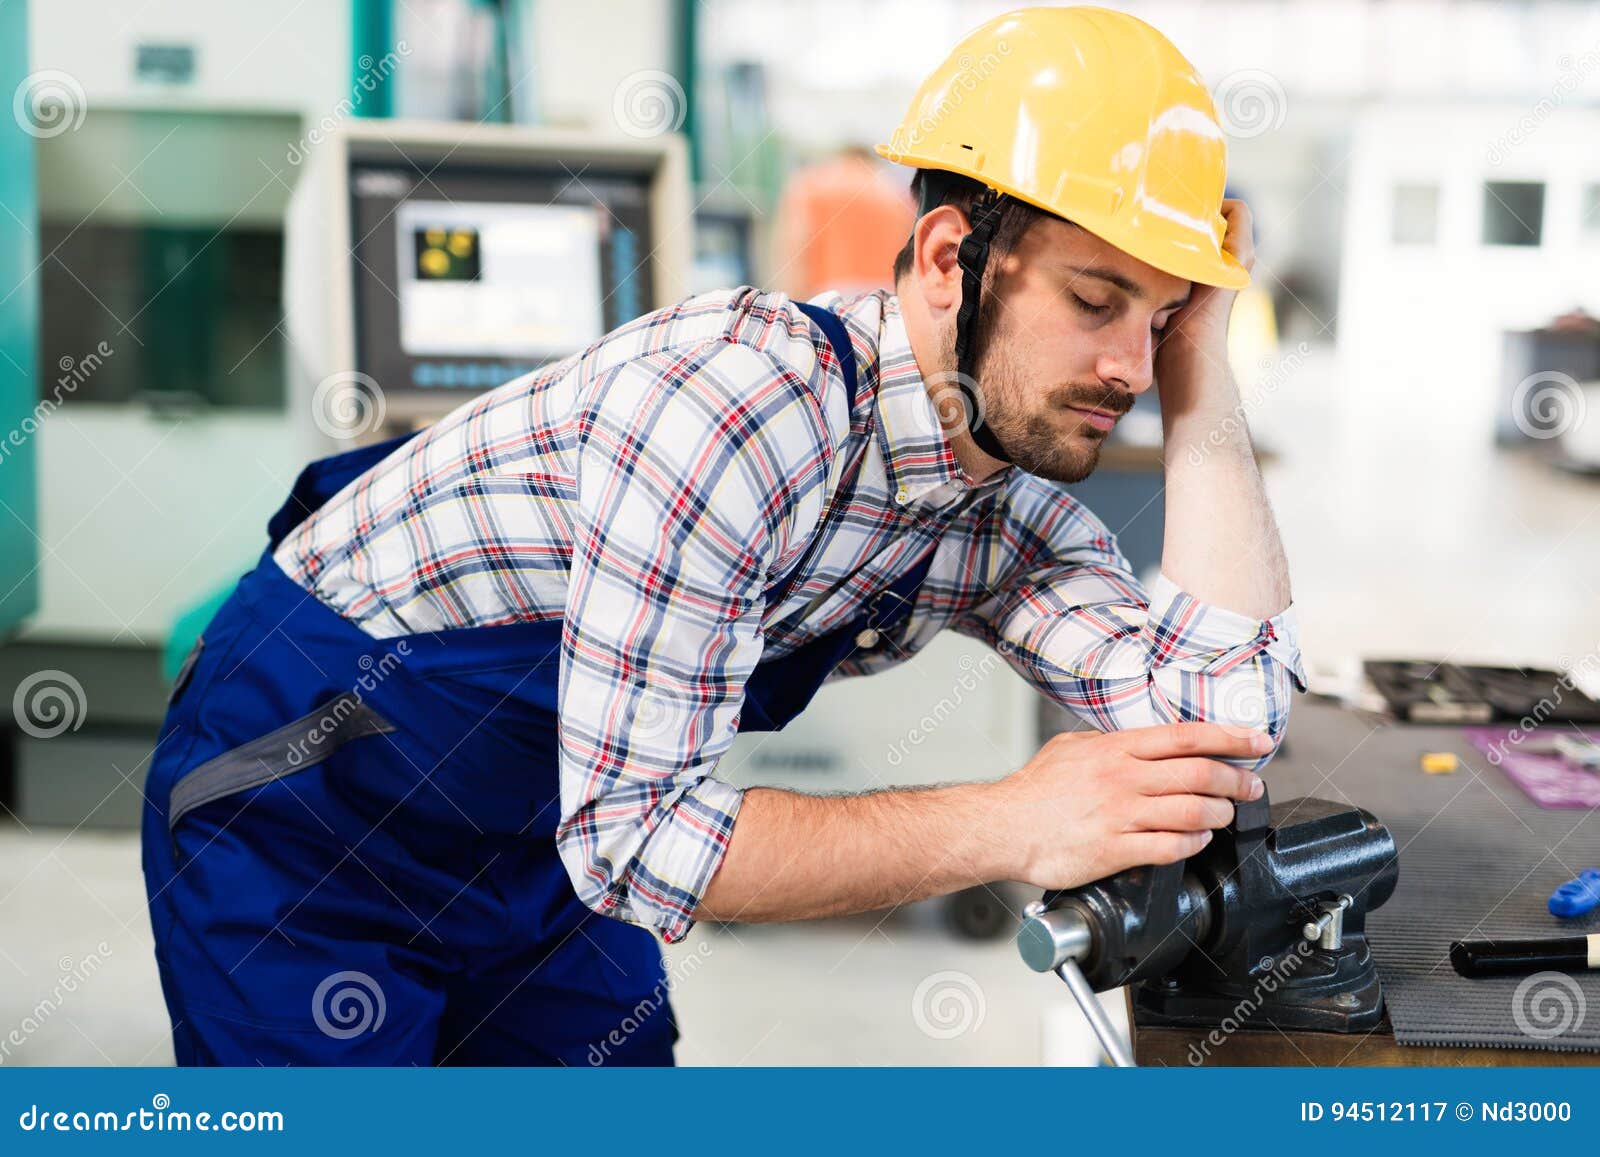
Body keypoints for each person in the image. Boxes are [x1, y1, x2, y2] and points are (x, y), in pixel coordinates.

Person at [142, 6, 1304, 1066]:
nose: (1127, 367)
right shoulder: (734, 410)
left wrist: (1202, 369)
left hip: (534, 834)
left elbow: (1225, 719)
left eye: (1158, 317)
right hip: (309, 817)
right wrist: (1010, 819)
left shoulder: (995, 510)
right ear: (949, 258)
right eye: (1094, 301)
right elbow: (639, 841)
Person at [772, 144, 915, 300]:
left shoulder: (812, 185)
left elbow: (799, 245)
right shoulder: (895, 191)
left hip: (829, 293)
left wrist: (795, 299)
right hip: (885, 294)